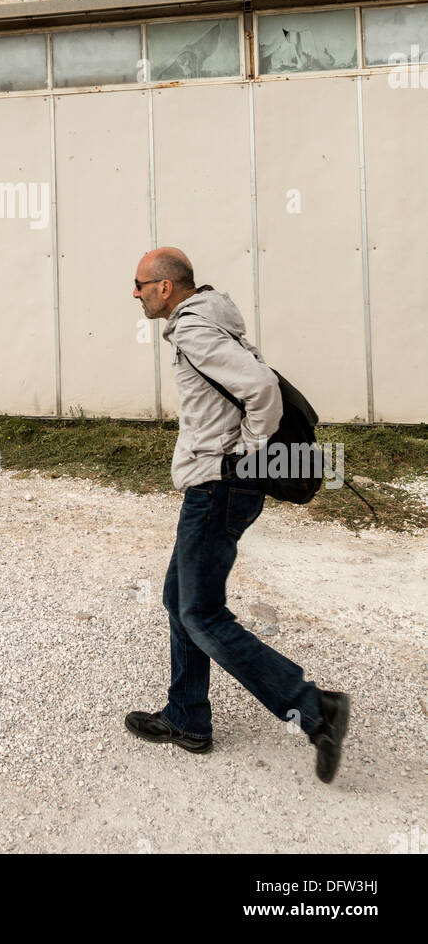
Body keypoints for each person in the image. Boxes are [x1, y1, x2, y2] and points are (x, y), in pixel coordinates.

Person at [124, 246, 350, 784]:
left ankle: (316, 710)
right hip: (218, 482)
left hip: (219, 485)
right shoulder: (208, 320)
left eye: (138, 284)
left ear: (164, 287)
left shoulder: (196, 330)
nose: (133, 293)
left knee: (200, 612)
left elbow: (261, 389)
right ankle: (188, 718)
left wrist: (246, 451)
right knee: (179, 599)